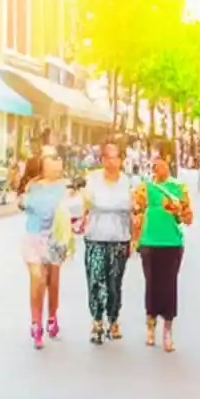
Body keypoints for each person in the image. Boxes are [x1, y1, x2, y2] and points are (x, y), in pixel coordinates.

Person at [132, 151, 194, 353]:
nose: (156, 167)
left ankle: (168, 330)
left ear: (168, 164)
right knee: (151, 284)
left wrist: (180, 211)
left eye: (160, 163)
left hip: (172, 242)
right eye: (153, 164)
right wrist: (135, 238)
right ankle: (150, 326)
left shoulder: (178, 188)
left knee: (169, 286)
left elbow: (188, 218)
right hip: (149, 242)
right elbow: (136, 212)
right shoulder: (144, 188)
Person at [81, 142, 135, 344]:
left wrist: (134, 238)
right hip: (95, 237)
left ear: (121, 160)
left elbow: (130, 207)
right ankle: (96, 321)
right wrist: (119, 205)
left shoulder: (127, 181)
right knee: (95, 281)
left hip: (119, 239)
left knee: (114, 284)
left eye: (115, 157)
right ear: (102, 159)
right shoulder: (92, 179)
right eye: (107, 157)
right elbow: (92, 202)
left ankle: (113, 319)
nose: (111, 162)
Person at [19, 153, 75, 348]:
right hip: (34, 238)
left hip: (55, 239)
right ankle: (36, 324)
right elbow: (22, 203)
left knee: (53, 281)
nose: (57, 169)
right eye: (52, 166)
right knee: (38, 278)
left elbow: (72, 209)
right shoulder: (32, 185)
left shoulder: (65, 187)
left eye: (58, 166)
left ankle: (51, 316)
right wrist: (23, 199)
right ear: (43, 168)